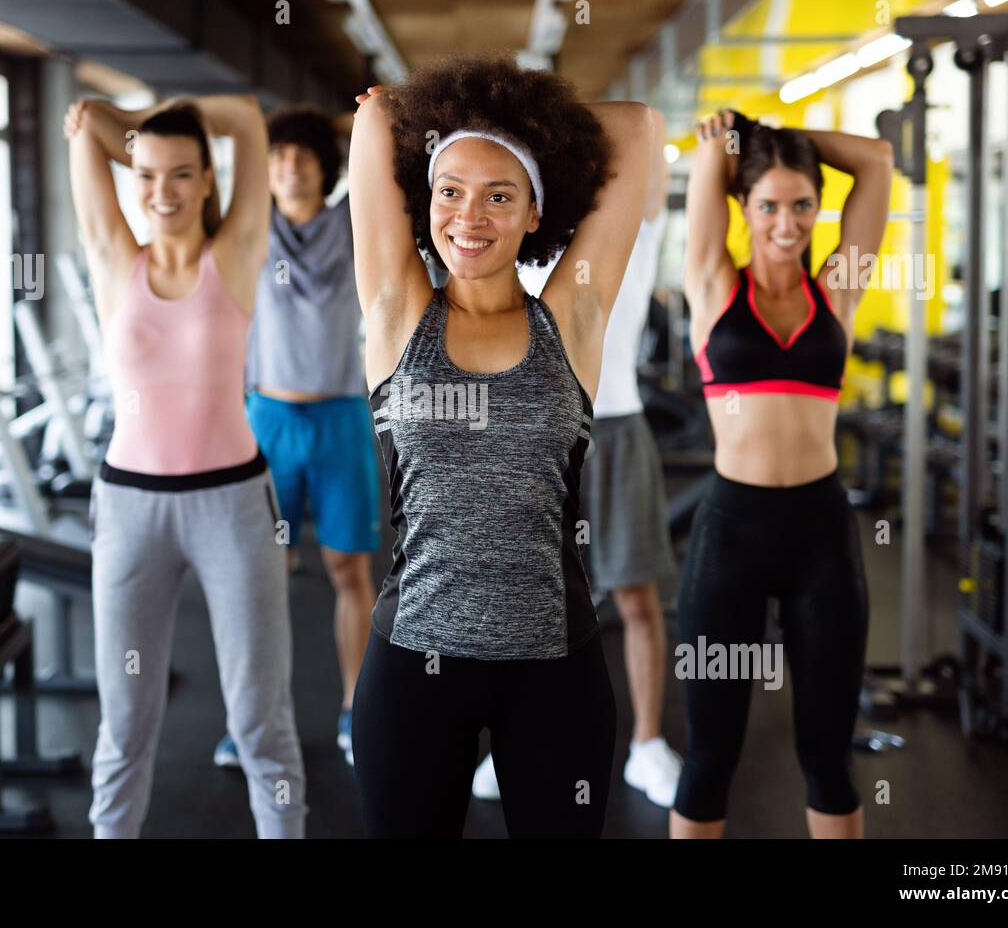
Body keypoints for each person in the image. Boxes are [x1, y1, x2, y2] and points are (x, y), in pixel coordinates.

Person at [347, 54, 655, 837]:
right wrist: (404, 115)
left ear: (533, 214)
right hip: (414, 660)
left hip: (553, 668)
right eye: (449, 191)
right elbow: (374, 125)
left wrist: (517, 121)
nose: (469, 216)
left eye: (499, 195)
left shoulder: (573, 317)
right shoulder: (395, 312)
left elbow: (640, 129)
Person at [64, 94, 306, 838]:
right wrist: (139, 127)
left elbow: (246, 122)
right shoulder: (113, 257)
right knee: (126, 722)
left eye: (181, 175)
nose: (161, 192)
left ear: (209, 181)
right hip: (130, 510)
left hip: (233, 507)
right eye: (146, 176)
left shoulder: (235, 254)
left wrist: (165, 117)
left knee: (258, 718)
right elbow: (82, 121)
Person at [672, 109, 892, 838]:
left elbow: (878, 159)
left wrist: (778, 137)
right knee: (709, 759)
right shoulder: (712, 282)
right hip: (730, 534)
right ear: (743, 207)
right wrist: (735, 142)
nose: (787, 222)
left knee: (827, 757)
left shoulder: (840, 287)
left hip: (821, 536)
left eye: (803, 204)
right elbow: (714, 155)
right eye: (768, 204)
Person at [472, 112, 684, 809]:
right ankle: (509, 750)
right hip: (532, 434)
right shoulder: (521, 244)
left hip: (616, 427)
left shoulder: (633, 233)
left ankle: (647, 744)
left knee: (638, 599)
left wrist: (537, 102)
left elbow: (643, 140)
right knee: (516, 604)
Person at [213, 106, 379, 769]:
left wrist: (343, 123)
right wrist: (274, 134)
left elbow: (379, 152)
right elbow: (243, 145)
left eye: (303, 154)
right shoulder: (251, 226)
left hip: (340, 417)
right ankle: (252, 722)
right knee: (261, 575)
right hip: (266, 422)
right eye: (278, 155)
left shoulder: (352, 222)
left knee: (349, 569)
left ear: (326, 165)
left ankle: (354, 713)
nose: (289, 165)